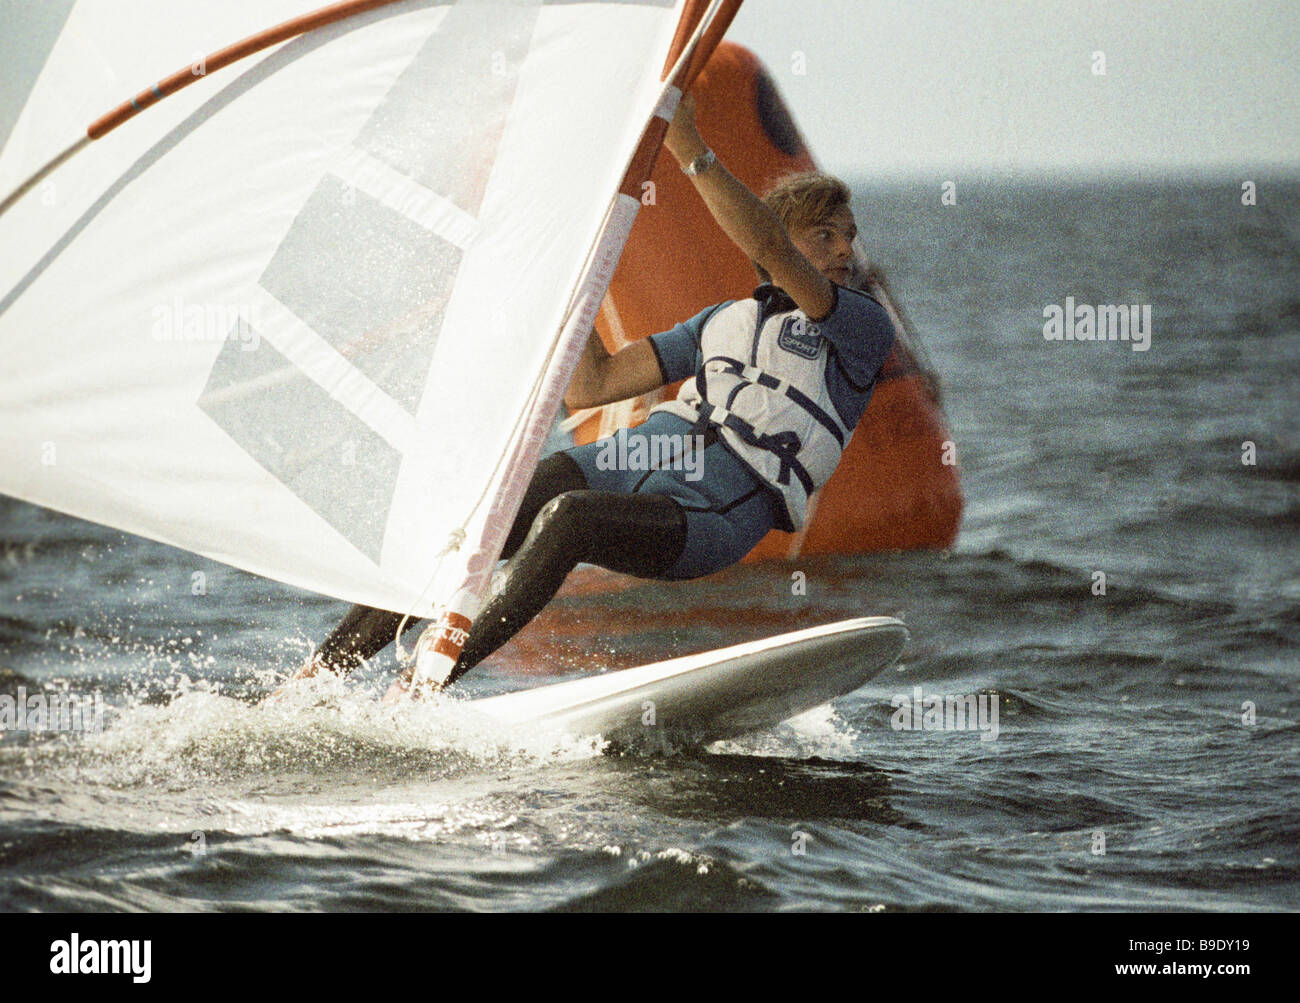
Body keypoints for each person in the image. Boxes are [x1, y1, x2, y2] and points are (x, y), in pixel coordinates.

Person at [284, 92, 896, 693]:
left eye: (850, 235)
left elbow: (770, 248)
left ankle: (424, 685)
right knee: (491, 512)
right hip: (639, 459)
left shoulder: (861, 329)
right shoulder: (720, 322)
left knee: (571, 517)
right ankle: (313, 682)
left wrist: (688, 145)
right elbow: (592, 386)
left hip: (712, 512)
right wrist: (560, 274)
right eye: (825, 235)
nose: (845, 249)